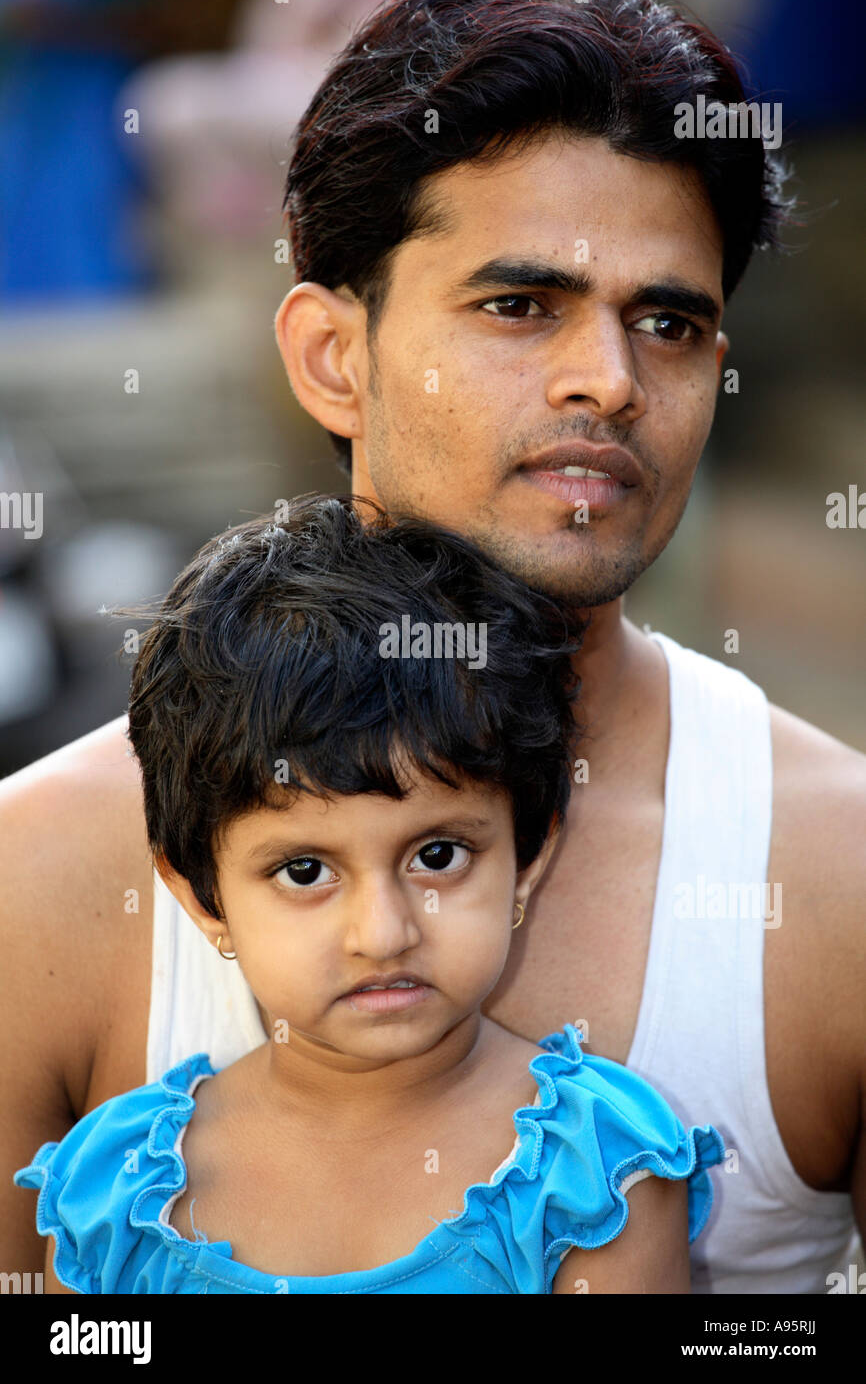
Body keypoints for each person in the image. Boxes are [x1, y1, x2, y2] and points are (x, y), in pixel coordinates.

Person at [2, 0, 864, 1295]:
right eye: (521, 304)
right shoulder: (45, 875)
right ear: (332, 357)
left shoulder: (833, 878)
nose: (610, 380)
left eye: (668, 323)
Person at [14, 498, 724, 1294]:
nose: (383, 934)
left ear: (528, 854)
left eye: (438, 855)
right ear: (201, 897)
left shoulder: (594, 1177)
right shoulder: (110, 1200)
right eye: (306, 872)